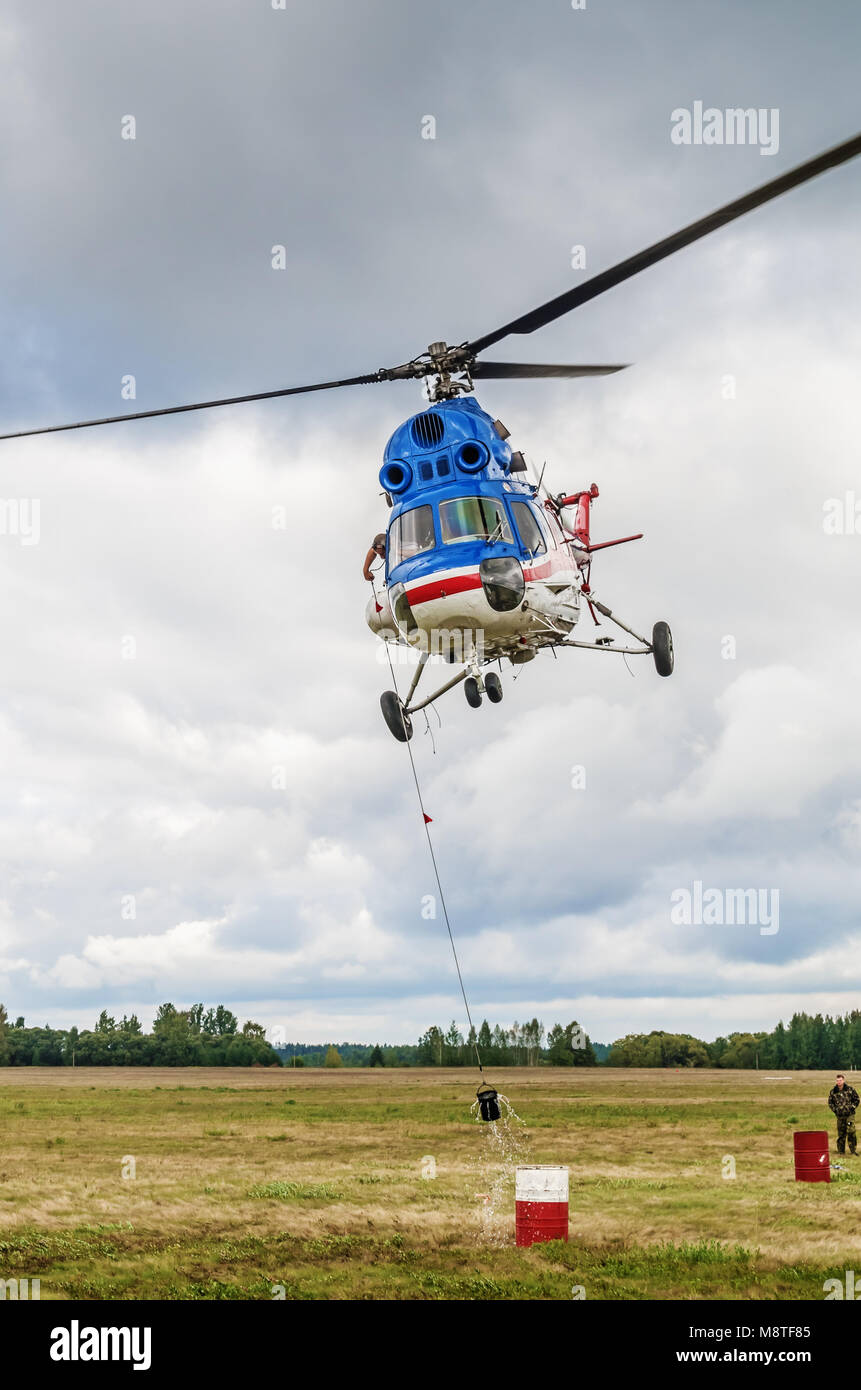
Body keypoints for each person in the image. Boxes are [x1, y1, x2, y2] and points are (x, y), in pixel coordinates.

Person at [828, 1073, 859, 1156]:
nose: (839, 1082)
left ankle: (853, 1151)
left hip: (850, 1115)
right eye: (837, 1080)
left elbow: (856, 1099)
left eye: (840, 1080)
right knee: (841, 1133)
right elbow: (830, 1103)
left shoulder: (850, 1089)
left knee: (851, 1131)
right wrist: (836, 1111)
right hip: (840, 1116)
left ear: (843, 1080)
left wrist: (851, 1108)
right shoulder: (833, 1091)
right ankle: (841, 1151)